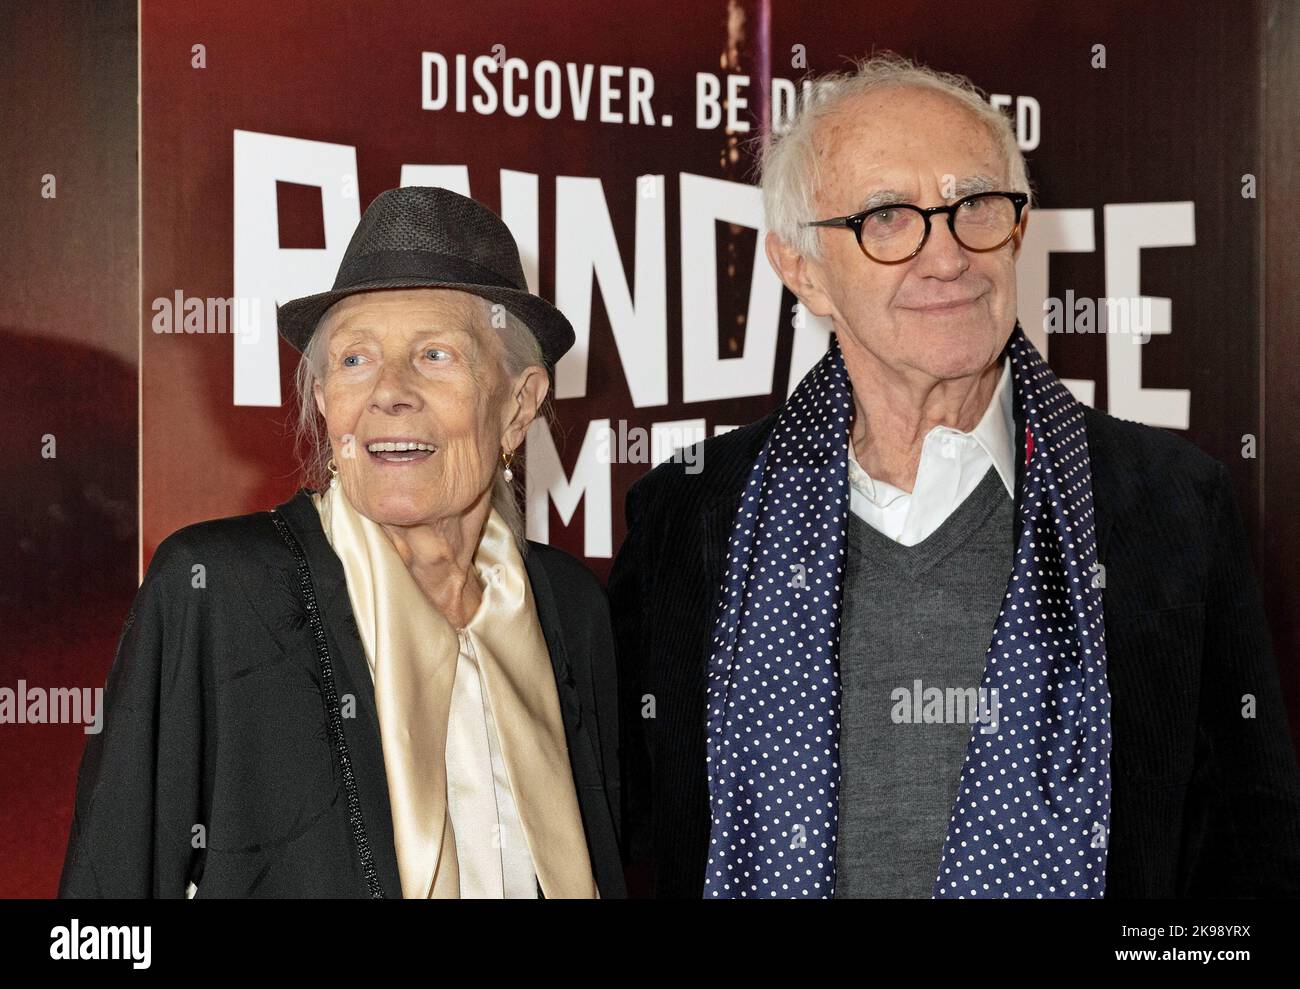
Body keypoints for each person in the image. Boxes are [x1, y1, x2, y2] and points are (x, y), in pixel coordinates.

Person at [610, 53, 1300, 898]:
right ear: (801, 269)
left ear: (1017, 227)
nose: (947, 257)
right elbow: (616, 830)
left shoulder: (1170, 504)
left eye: (974, 206)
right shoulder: (690, 512)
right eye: (889, 218)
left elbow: (1251, 853)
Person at [59, 186, 624, 898]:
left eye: (436, 355)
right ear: (325, 401)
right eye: (356, 360)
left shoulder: (570, 611)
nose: (389, 391)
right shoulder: (218, 591)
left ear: (517, 407)